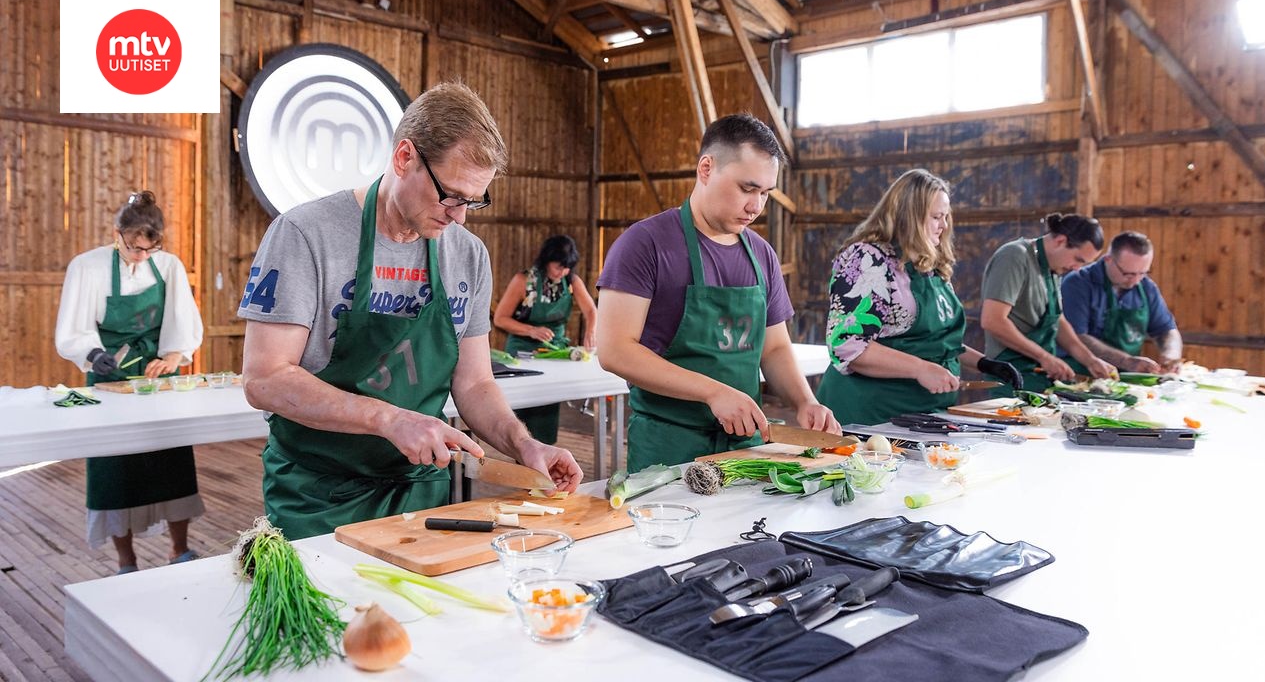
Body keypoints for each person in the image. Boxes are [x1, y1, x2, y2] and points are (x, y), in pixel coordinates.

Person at [238, 82, 583, 540]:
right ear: (404, 158)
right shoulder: (305, 234)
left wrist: (524, 445)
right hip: (318, 492)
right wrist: (390, 418)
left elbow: (475, 382)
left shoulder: (467, 254)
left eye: (474, 200)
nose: (460, 216)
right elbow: (265, 379)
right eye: (452, 195)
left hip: (421, 494)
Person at [596, 113, 840, 472]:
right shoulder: (645, 244)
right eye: (747, 188)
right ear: (706, 168)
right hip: (669, 450)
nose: (756, 207)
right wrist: (713, 392)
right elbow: (615, 351)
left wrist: (805, 401)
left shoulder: (762, 255)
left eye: (765, 193)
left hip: (746, 450)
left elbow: (773, 348)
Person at [55, 191, 205, 574]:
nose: (141, 257)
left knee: (169, 460)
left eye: (148, 250)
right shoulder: (87, 267)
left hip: (158, 378)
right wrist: (92, 355)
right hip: (109, 378)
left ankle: (180, 550)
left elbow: (182, 321)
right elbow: (74, 328)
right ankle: (126, 560)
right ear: (117, 233)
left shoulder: (168, 266)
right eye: (134, 248)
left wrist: (172, 355)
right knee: (114, 468)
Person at [815, 169, 1023, 425]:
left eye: (946, 217)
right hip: (869, 415)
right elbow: (847, 345)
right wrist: (920, 369)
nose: (944, 225)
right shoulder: (868, 259)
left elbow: (934, 342)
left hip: (925, 413)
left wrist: (984, 364)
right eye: (936, 217)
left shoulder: (929, 265)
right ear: (908, 216)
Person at [980, 213, 1117, 394]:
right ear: (1060, 241)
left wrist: (1090, 360)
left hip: (1040, 378)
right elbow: (993, 321)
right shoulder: (1014, 256)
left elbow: (1058, 320)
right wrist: (1044, 357)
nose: (1077, 268)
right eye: (1078, 260)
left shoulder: (1053, 269)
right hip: (1011, 378)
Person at [493, 235, 598, 444]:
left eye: (567, 267)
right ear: (546, 260)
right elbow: (500, 319)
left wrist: (590, 331)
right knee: (524, 413)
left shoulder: (571, 281)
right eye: (559, 267)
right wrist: (531, 330)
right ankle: (521, 451)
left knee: (547, 407)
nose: (563, 272)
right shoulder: (524, 280)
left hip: (554, 354)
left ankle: (546, 453)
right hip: (523, 353)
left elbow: (590, 310)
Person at [1058, 231, 1182, 374]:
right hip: (1080, 373)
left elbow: (1166, 330)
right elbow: (1076, 337)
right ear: (1108, 260)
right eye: (1128, 274)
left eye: (1142, 273)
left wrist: (1171, 355)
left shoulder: (1147, 287)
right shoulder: (1077, 283)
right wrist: (1126, 361)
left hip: (1127, 377)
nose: (1135, 280)